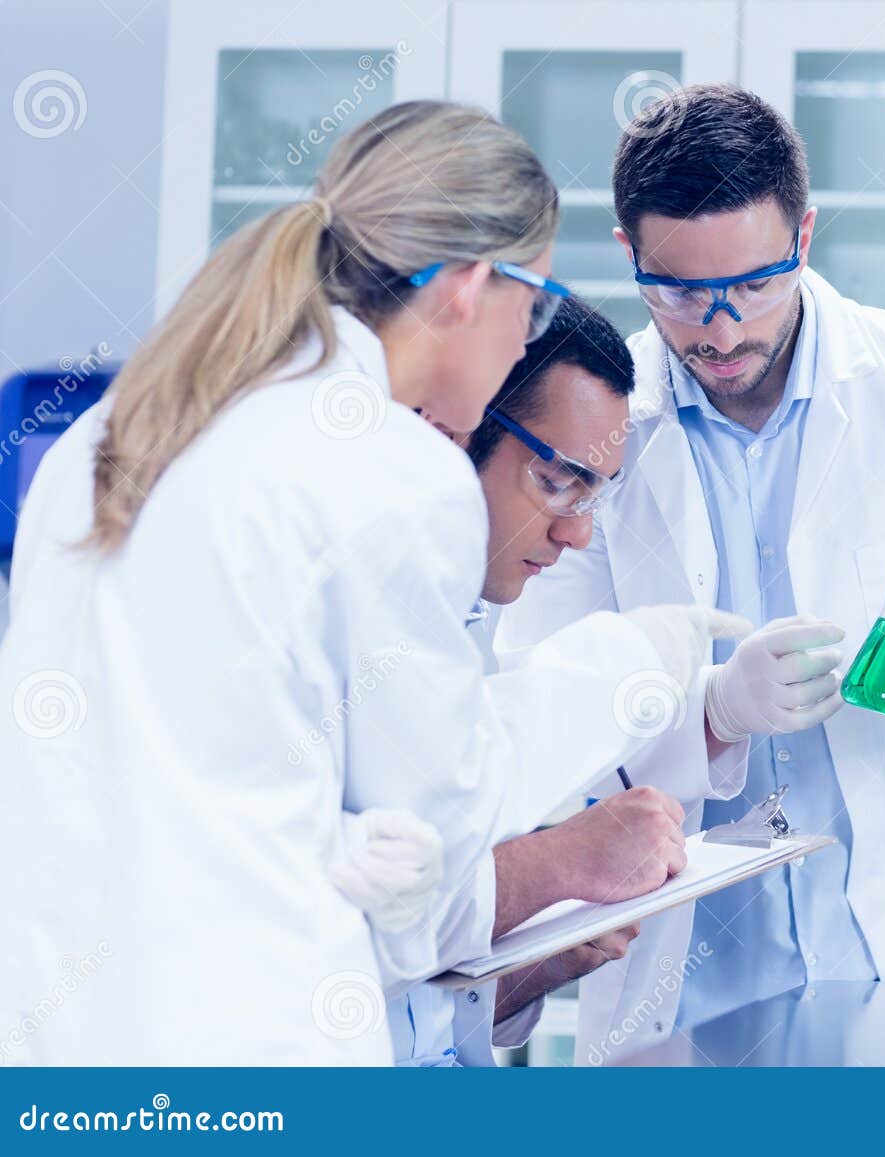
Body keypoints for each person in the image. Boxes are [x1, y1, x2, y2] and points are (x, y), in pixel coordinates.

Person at [0, 101, 744, 1064]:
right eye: (535, 307)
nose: (525, 343)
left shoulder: (110, 434)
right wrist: (631, 662)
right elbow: (445, 838)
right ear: (472, 287)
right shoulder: (392, 471)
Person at [497, 84, 885, 1061]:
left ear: (805, 236)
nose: (721, 329)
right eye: (678, 293)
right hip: (692, 994)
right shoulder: (595, 428)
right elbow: (544, 707)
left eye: (754, 285)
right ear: (630, 254)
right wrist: (711, 710)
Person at [375, 298, 749, 1065]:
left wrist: (542, 960)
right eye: (555, 481)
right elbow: (344, 928)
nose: (577, 532)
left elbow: (414, 1005)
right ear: (450, 431)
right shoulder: (348, 626)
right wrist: (560, 864)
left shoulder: (456, 622)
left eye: (595, 495)